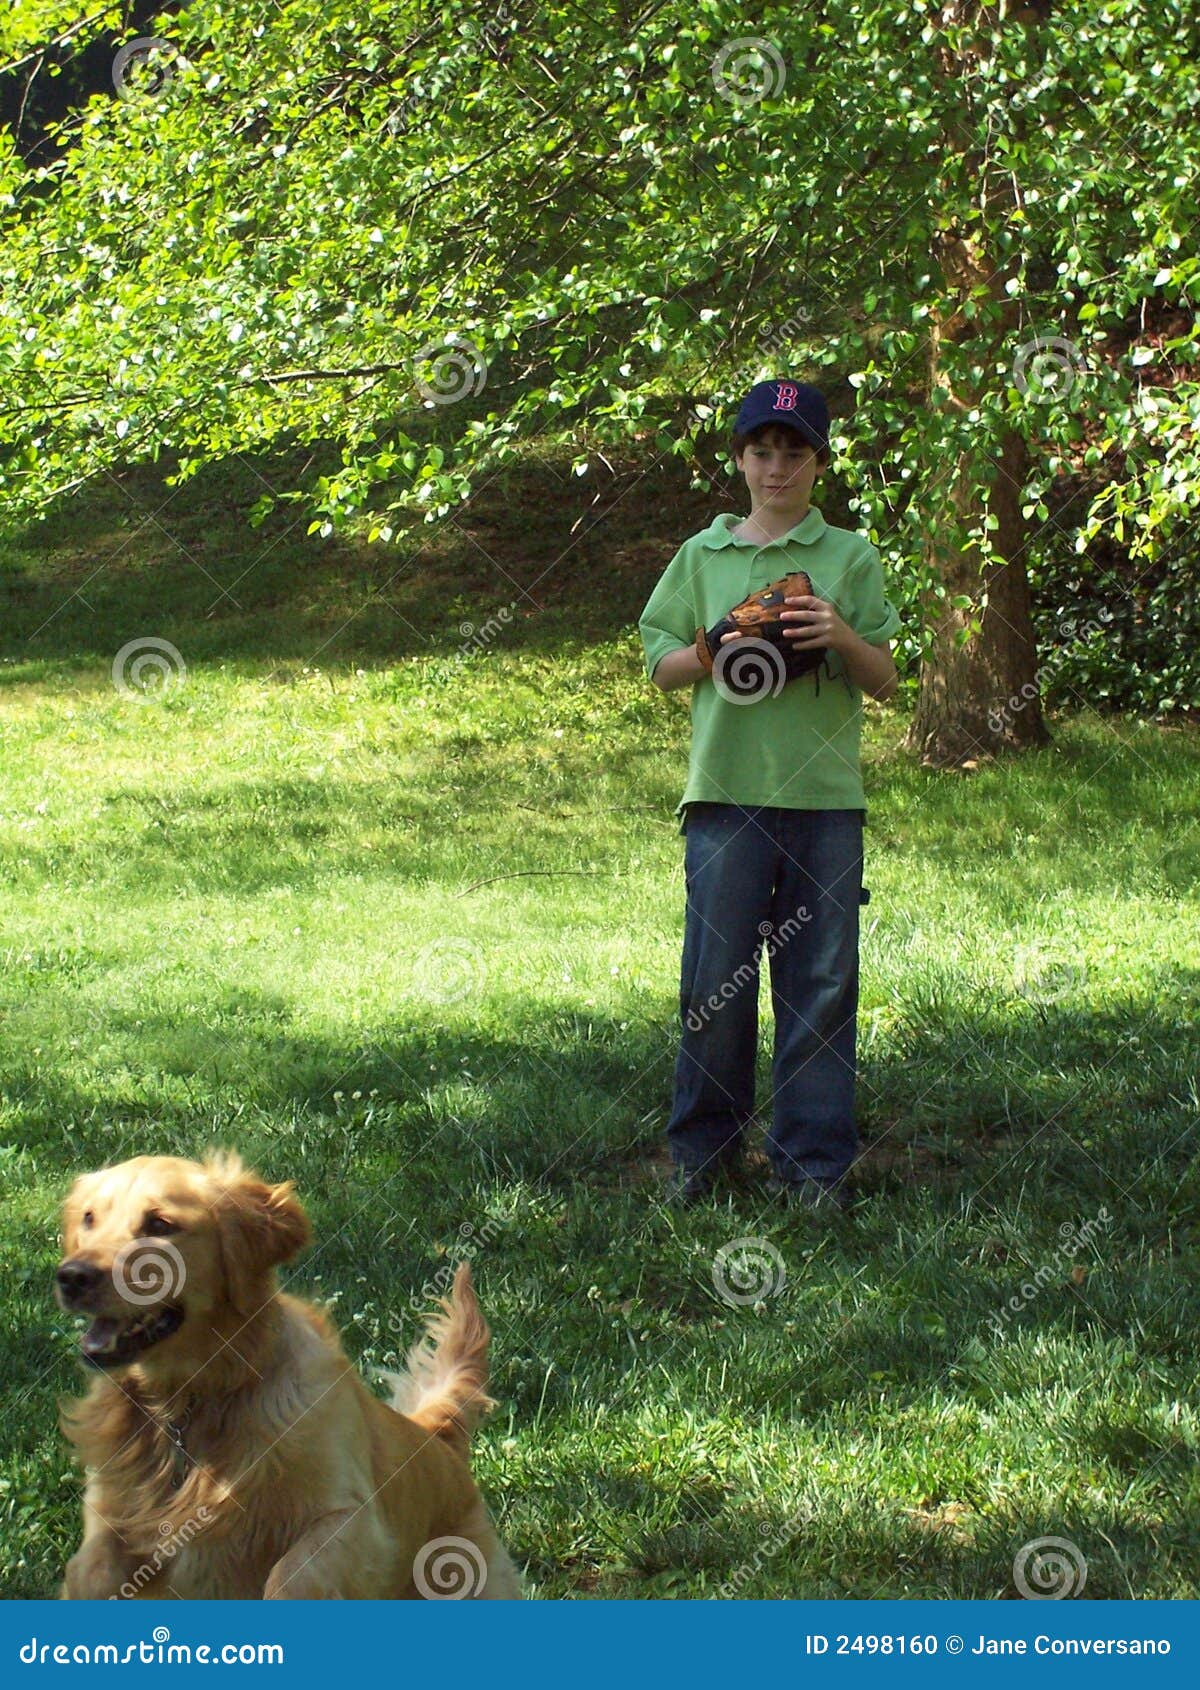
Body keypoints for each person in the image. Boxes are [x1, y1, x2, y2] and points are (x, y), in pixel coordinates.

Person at [638, 379, 901, 1210]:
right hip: (725, 797)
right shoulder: (703, 556)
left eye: (794, 452)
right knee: (715, 982)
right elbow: (659, 665)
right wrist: (715, 647)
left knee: (821, 983)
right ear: (740, 460)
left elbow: (886, 678)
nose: (777, 468)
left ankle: (812, 1165)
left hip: (825, 803)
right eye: (762, 452)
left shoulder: (848, 556)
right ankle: (703, 1154)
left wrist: (839, 635)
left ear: (819, 462)